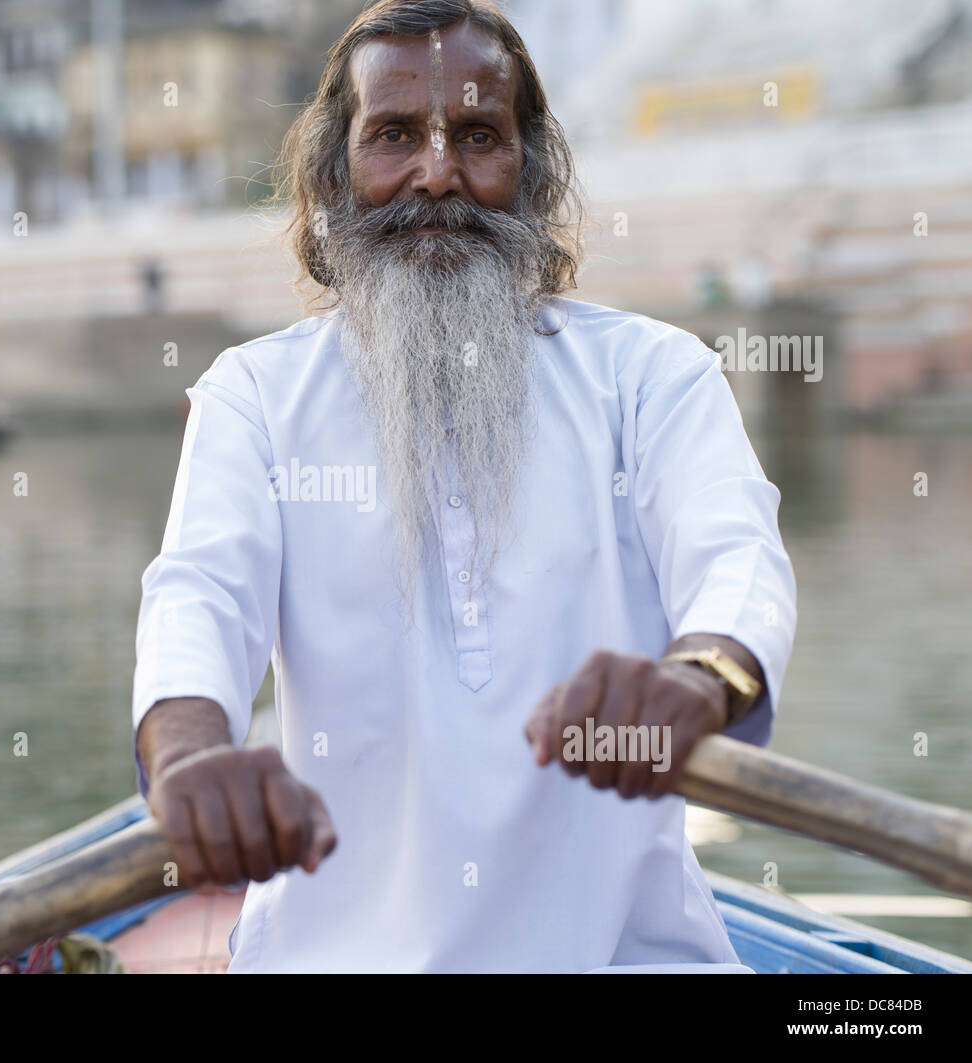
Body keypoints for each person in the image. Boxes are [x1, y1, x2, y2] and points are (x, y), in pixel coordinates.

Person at [130, 0, 796, 973]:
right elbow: (196, 594)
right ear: (334, 176)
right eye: (395, 135)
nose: (436, 174)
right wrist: (188, 758)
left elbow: (736, 558)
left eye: (477, 137)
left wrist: (698, 679)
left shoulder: (654, 373)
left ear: (528, 175)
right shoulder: (255, 395)